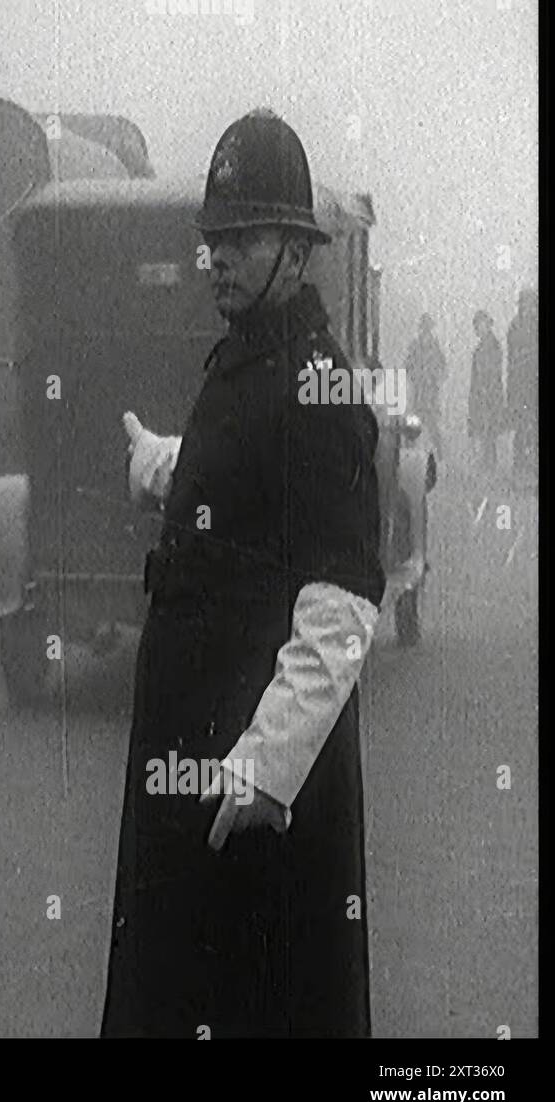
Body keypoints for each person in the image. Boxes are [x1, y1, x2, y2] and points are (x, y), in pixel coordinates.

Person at [101, 109, 386, 1038]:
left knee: (259, 997)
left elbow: (343, 600)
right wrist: (164, 468)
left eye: (245, 237)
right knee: (181, 984)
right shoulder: (250, 359)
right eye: (215, 239)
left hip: (253, 778)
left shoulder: (322, 384)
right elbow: (246, 478)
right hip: (196, 746)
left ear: (298, 252)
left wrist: (265, 769)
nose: (219, 257)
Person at [506, 289, 537, 480]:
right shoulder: (516, 327)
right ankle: (519, 468)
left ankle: (532, 468)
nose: (529, 308)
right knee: (521, 427)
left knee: (533, 429)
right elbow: (513, 358)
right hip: (520, 386)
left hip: (534, 385)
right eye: (526, 304)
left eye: (532, 304)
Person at [468, 310, 504, 473]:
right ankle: (487, 463)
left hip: (489, 393)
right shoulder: (482, 347)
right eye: (477, 325)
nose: (479, 328)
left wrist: (486, 390)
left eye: (481, 324)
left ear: (488, 325)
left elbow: (492, 371)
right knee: (483, 428)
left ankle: (489, 465)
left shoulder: (492, 345)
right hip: (481, 393)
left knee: (489, 429)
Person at [404, 314, 446, 453]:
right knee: (413, 426)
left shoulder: (435, 347)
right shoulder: (415, 346)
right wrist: (416, 375)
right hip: (417, 394)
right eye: (424, 328)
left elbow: (443, 369)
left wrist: (433, 378)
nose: (426, 332)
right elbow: (407, 367)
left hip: (430, 395)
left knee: (432, 426)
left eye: (428, 329)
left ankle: (440, 454)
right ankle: (410, 453)